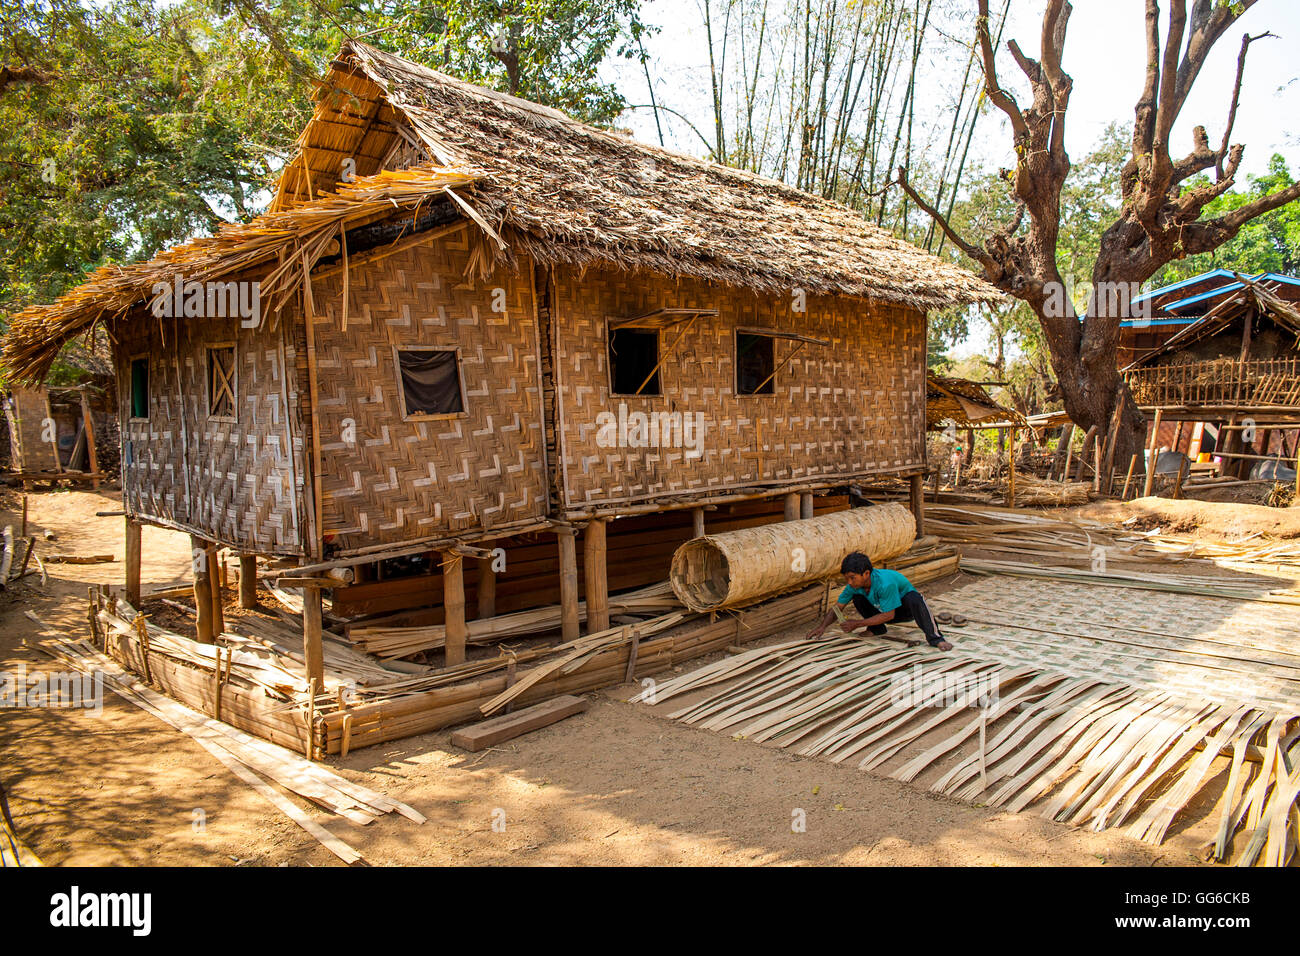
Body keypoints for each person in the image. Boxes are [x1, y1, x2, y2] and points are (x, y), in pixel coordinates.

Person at [805, 551, 952, 650]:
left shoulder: (884, 583)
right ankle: (877, 629)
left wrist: (857, 624)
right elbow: (837, 608)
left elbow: (889, 615)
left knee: (915, 598)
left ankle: (936, 638)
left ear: (866, 573)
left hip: (902, 610)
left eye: (852, 577)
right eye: (847, 578)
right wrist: (822, 627)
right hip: (882, 609)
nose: (849, 582)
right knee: (857, 597)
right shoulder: (854, 586)